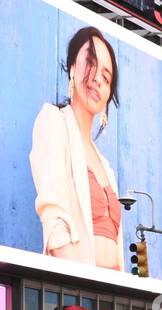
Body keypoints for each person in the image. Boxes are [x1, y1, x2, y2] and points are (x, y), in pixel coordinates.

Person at [30, 26, 123, 271]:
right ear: (72, 66)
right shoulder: (53, 121)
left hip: (116, 297)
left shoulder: (105, 165)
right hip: (78, 294)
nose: (96, 80)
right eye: (90, 63)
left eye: (106, 77)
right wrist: (84, 285)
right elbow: (54, 223)